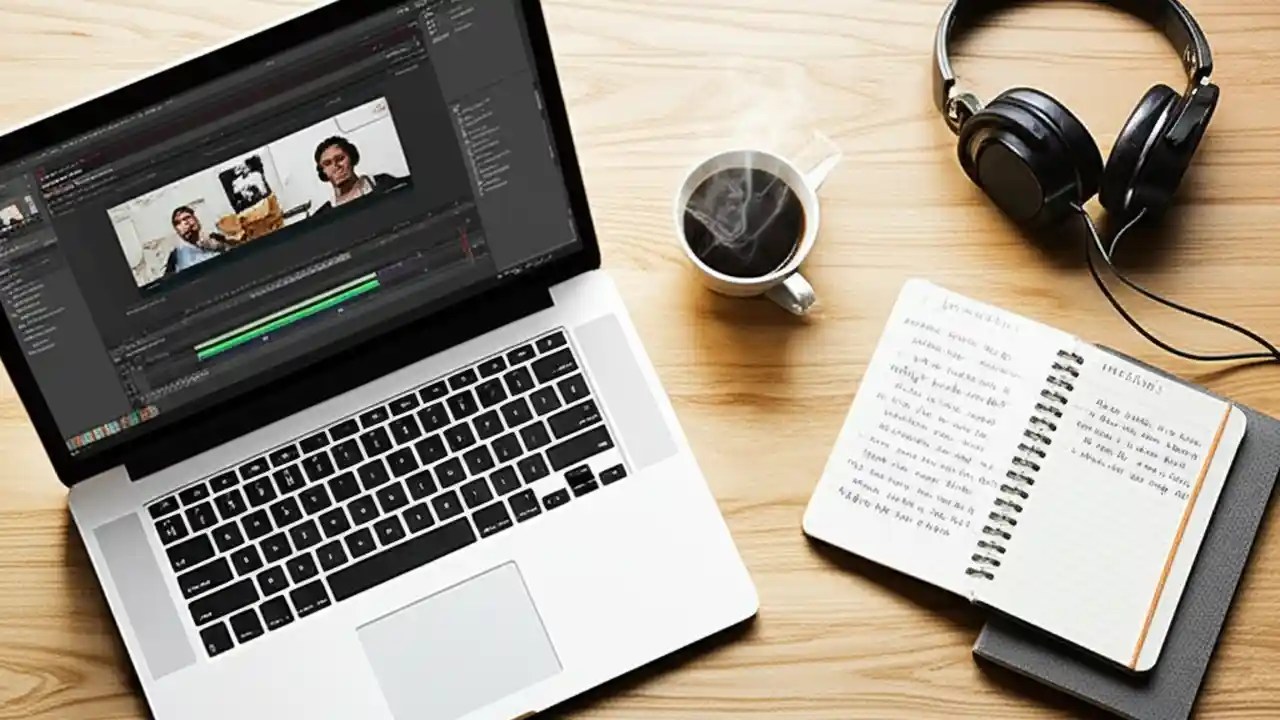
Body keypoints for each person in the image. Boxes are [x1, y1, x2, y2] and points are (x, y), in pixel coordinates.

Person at [312, 136, 405, 214]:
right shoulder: (323, 215)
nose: (336, 166)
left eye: (340, 159)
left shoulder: (386, 184)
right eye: (328, 163)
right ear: (323, 171)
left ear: (352, 158)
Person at [165, 206, 233, 276]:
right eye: (178, 223)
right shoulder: (175, 256)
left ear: (196, 219)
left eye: (187, 218)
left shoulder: (216, 238)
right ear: (177, 230)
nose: (185, 223)